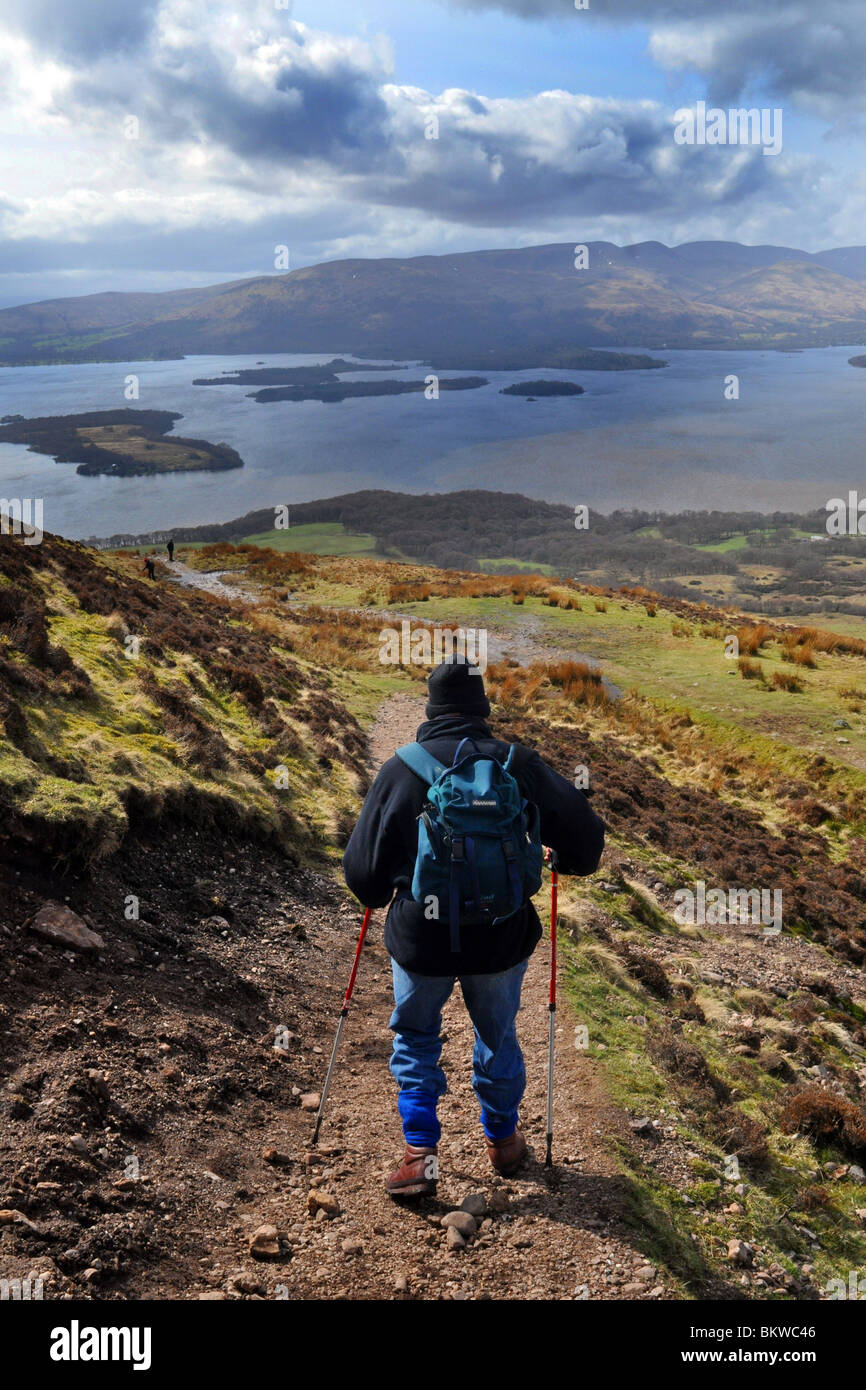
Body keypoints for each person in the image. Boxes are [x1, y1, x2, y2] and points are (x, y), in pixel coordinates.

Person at [342, 655, 605, 1197]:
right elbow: (587, 841)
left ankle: (419, 1155)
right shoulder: (517, 764)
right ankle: (505, 1143)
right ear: (483, 710)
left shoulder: (401, 768)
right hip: (500, 937)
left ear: (431, 710)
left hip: (422, 940)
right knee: (497, 1033)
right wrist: (558, 860)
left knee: (416, 1037)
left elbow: (363, 875)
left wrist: (390, 883)